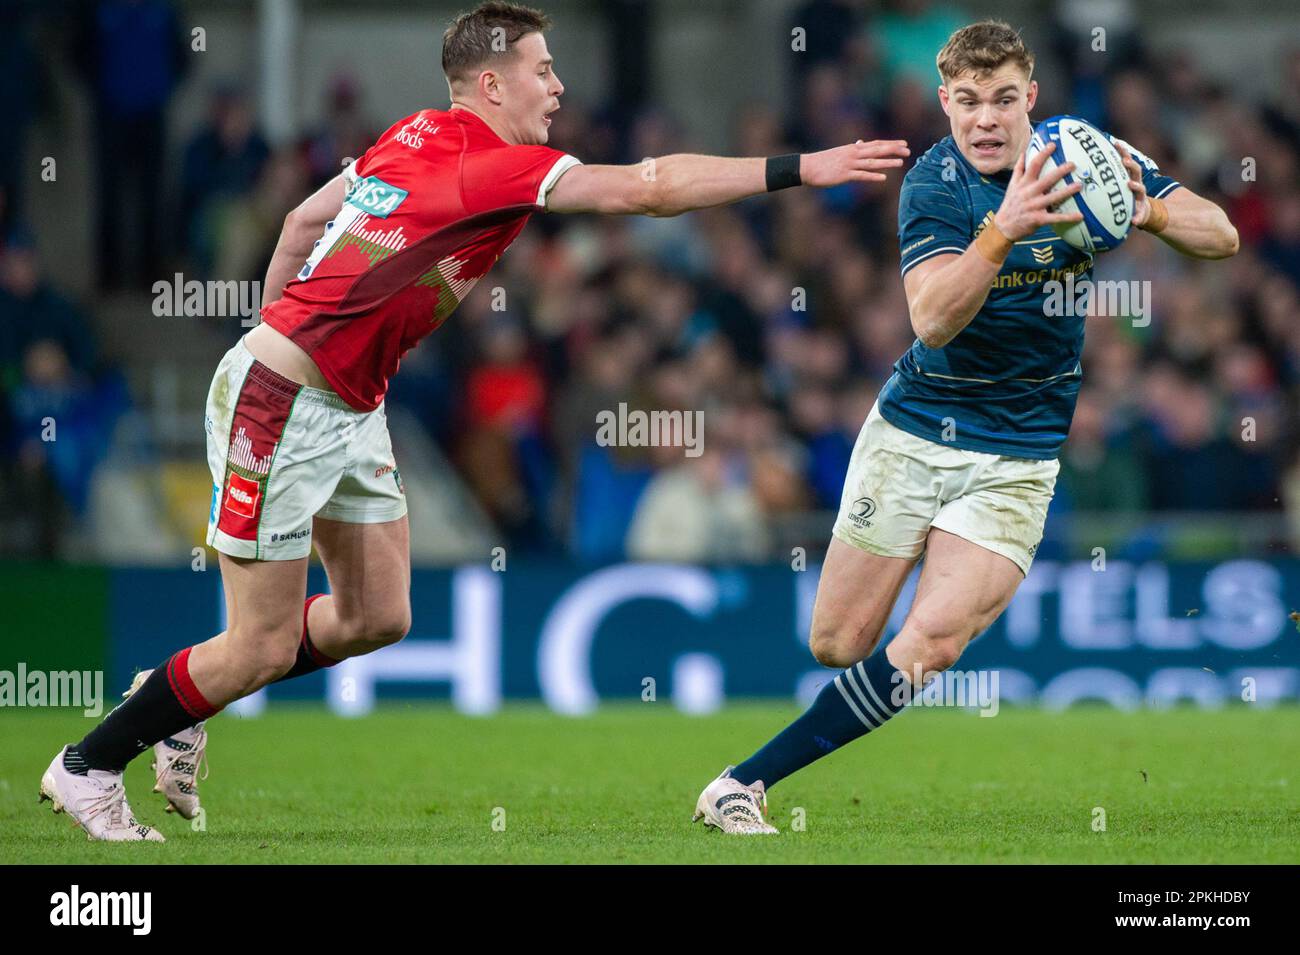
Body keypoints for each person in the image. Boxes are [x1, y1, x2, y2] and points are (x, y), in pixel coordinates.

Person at [38, 0, 909, 841]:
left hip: (349, 400)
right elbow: (648, 187)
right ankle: (89, 764)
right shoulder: (497, 165)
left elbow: (306, 219)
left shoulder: (411, 132)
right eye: (543, 70)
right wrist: (801, 167)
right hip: (285, 403)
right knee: (260, 642)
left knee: (377, 616)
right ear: (491, 85)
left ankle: (183, 690)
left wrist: (286, 326)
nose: (559, 87)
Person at [693, 19, 1238, 834]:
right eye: (971, 102)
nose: (987, 119)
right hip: (915, 430)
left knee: (936, 641)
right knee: (839, 643)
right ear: (946, 103)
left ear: (1034, 101)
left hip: (1019, 451)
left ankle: (742, 784)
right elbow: (933, 319)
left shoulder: (1081, 156)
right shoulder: (935, 185)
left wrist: (1143, 209)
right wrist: (1006, 226)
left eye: (1005, 100)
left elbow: (1221, 235)